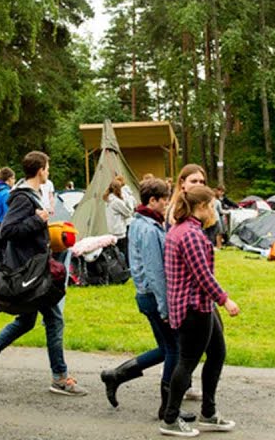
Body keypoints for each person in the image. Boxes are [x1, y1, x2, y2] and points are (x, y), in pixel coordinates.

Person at [0, 152, 86, 396]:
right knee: (54, 319)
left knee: (27, 320)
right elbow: (7, 230)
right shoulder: (22, 197)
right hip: (29, 271)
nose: (48, 171)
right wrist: (37, 220)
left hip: (34, 267)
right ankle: (60, 377)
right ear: (40, 170)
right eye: (47, 167)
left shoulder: (33, 195)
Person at [99, 178, 195, 423]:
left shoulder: (142, 223)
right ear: (152, 201)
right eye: (164, 201)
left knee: (165, 349)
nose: (167, 205)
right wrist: (166, 308)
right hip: (153, 298)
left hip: (146, 297)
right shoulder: (149, 229)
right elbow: (155, 272)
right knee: (175, 350)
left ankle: (116, 375)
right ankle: (167, 406)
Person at [160, 183, 239, 437]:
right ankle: (170, 419)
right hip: (193, 307)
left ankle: (209, 413)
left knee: (217, 353)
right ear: (202, 207)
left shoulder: (180, 229)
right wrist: (225, 300)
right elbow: (203, 275)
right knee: (187, 362)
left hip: (197, 305)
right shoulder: (191, 235)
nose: (214, 212)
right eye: (212, 207)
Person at [105, 176, 133, 263]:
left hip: (111, 228)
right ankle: (125, 266)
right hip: (119, 230)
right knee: (124, 250)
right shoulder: (116, 201)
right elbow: (128, 213)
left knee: (116, 251)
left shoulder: (107, 199)